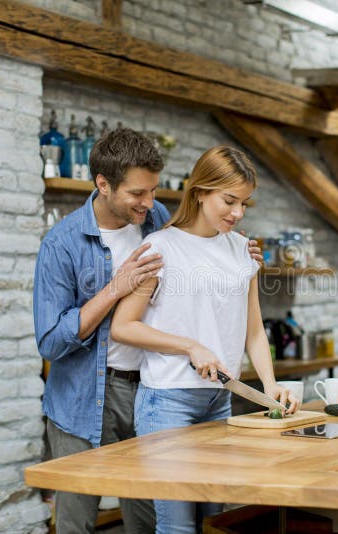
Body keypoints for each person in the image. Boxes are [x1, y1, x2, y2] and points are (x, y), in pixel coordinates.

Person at [33, 129, 261, 533]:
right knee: (77, 520)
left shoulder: (154, 223)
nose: (149, 203)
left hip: (153, 390)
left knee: (147, 518)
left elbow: (199, 245)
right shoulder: (62, 244)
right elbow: (50, 341)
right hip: (87, 393)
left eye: (153, 190)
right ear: (103, 185)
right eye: (138, 193)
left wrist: (237, 252)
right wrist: (113, 289)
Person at [110, 145, 301, 534]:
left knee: (217, 523)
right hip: (167, 403)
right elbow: (124, 326)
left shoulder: (242, 250)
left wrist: (269, 385)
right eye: (229, 200)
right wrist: (190, 346)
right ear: (200, 192)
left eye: (245, 203)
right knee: (178, 527)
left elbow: (253, 329)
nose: (237, 212)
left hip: (219, 399)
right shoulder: (162, 248)